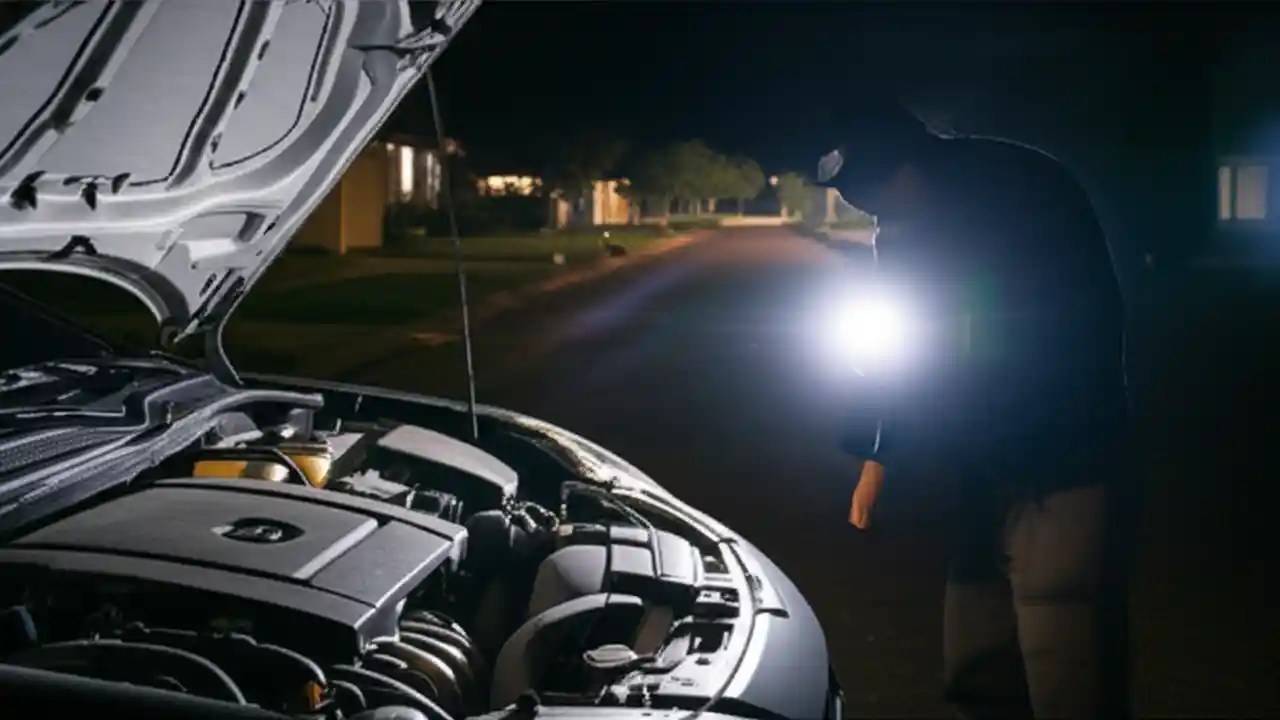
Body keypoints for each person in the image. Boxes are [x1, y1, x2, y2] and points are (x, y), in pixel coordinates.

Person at [822, 91, 1137, 719]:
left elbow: (980, 341)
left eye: (879, 201)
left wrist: (903, 428)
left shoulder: (1014, 198)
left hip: (1063, 464)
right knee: (978, 660)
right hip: (986, 464)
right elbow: (906, 343)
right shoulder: (920, 214)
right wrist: (876, 454)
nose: (880, 220)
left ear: (906, 167)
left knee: (1065, 656)